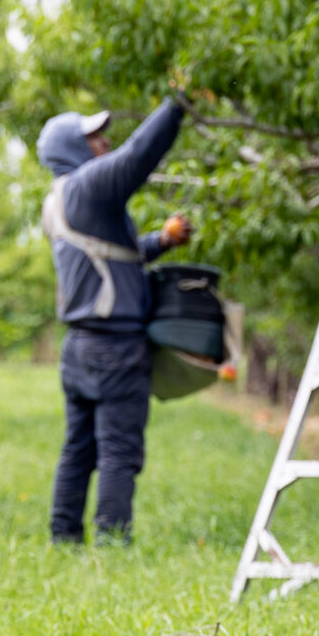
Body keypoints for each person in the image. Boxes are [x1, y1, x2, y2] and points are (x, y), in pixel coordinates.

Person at [36, 97, 190, 545]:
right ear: (72, 148)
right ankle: (111, 541)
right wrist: (177, 104)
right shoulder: (88, 185)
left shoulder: (61, 198)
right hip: (115, 346)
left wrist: (161, 241)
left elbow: (114, 258)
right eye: (93, 137)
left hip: (80, 347)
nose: (105, 142)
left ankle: (63, 536)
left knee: (78, 447)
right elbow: (139, 154)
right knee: (120, 448)